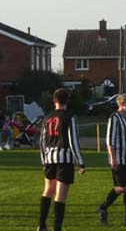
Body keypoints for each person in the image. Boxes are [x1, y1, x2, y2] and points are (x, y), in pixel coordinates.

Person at [37, 88, 86, 231]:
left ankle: (41, 225)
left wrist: (43, 160)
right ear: (68, 101)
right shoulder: (70, 117)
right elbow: (73, 141)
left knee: (48, 191)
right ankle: (57, 227)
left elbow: (42, 142)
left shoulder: (47, 117)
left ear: (54, 100)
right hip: (64, 158)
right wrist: (81, 162)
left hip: (49, 158)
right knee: (61, 194)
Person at [96, 94, 126, 227]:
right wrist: (113, 158)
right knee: (121, 187)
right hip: (119, 159)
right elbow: (110, 141)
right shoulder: (114, 118)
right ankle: (103, 207)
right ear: (122, 103)